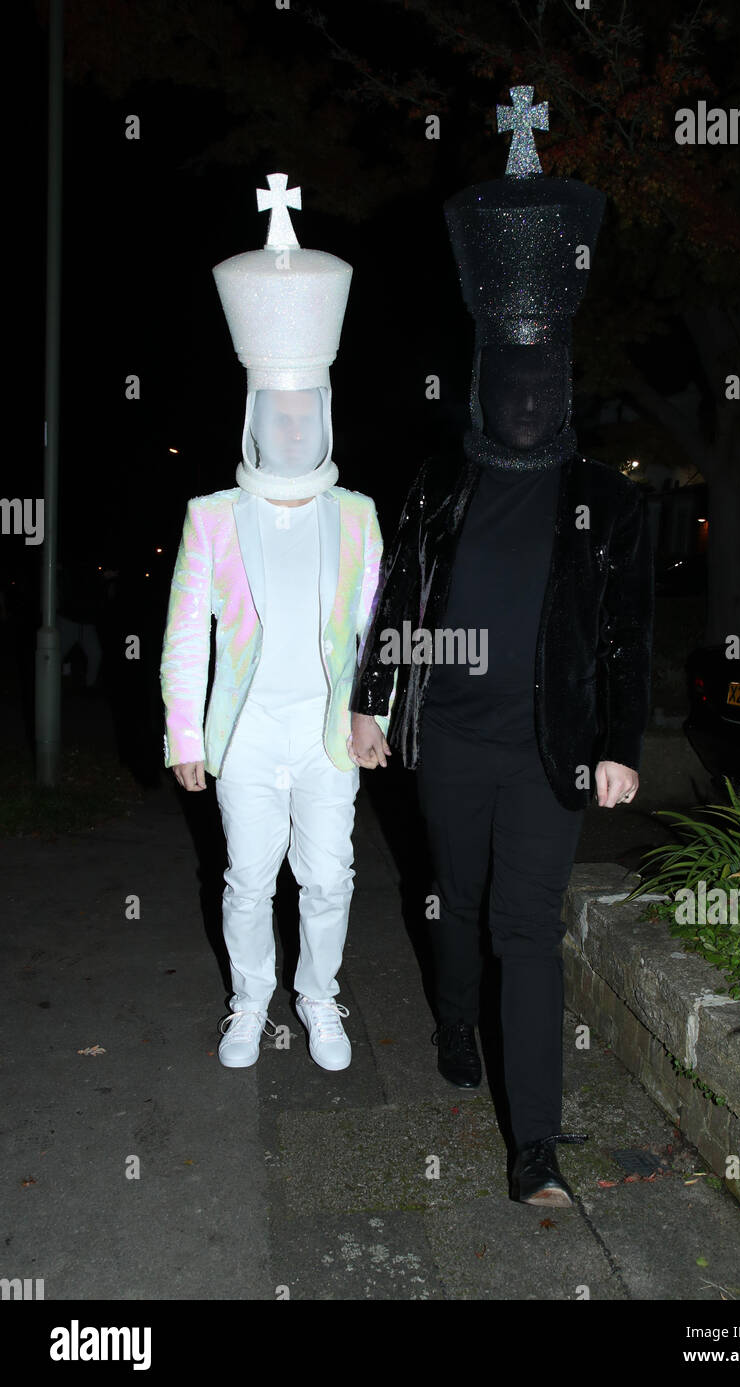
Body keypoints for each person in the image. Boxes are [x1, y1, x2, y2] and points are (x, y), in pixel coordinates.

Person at [349, 90, 654, 1206]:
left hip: (546, 748)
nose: (524, 398)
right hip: (453, 741)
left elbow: (628, 632)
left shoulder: (606, 502)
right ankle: (446, 1017)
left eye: (543, 380)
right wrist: (372, 700)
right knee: (456, 901)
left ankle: (534, 1153)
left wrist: (619, 740)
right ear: (483, 379)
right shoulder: (441, 482)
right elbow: (398, 602)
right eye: (506, 380)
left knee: (529, 932)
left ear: (561, 379)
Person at [160, 175, 395, 1072]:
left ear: (322, 413)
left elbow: (379, 627)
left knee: (329, 877)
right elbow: (186, 633)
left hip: (328, 729)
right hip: (248, 732)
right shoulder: (211, 515)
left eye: (306, 412)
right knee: (249, 878)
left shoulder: (359, 514)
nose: (293, 426)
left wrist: (377, 709)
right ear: (258, 415)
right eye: (278, 411)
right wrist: (186, 731)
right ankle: (252, 1002)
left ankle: (320, 999)